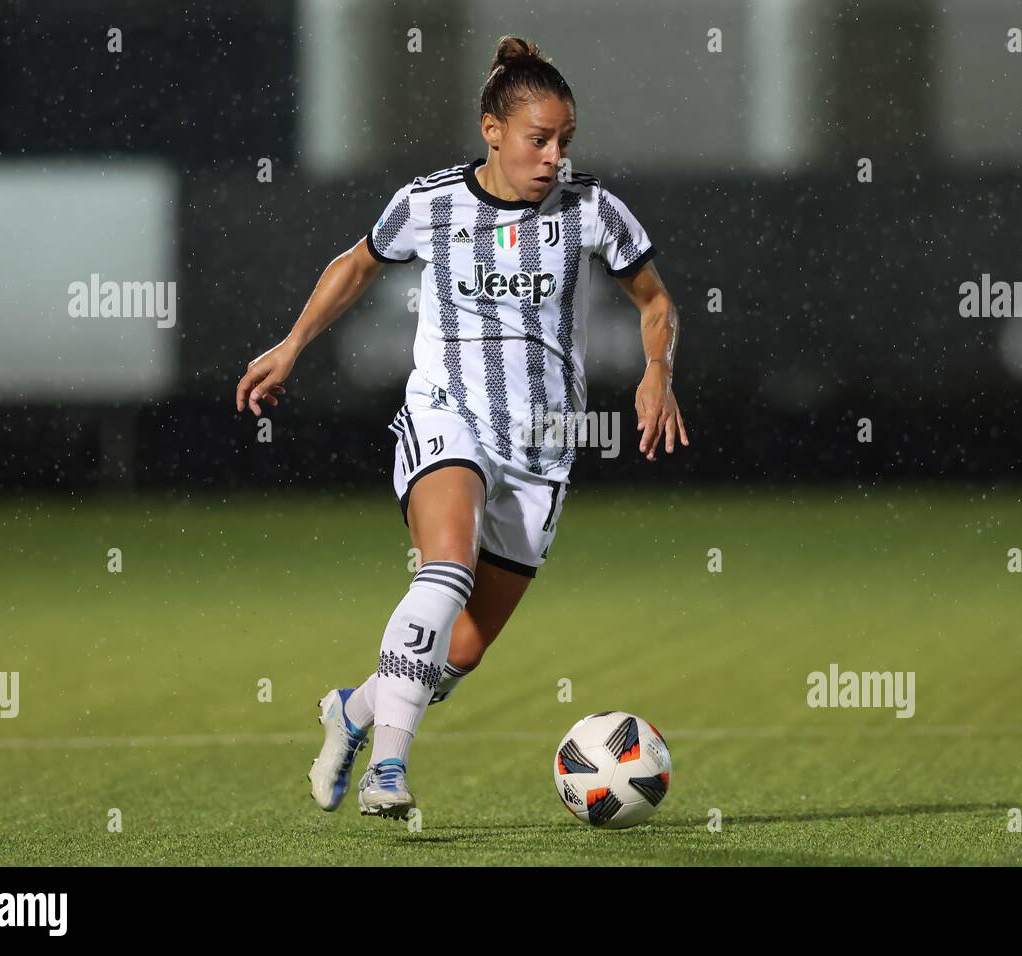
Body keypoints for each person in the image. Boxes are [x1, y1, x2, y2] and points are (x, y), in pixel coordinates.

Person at [235, 35, 687, 819]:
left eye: (565, 141)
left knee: (460, 652)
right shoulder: (431, 203)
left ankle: (352, 711)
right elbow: (356, 264)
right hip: (449, 418)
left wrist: (658, 370)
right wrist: (294, 343)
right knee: (443, 571)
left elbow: (655, 301)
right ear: (493, 131)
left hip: (543, 447)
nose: (554, 157)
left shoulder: (590, 209)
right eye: (538, 139)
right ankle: (388, 769)